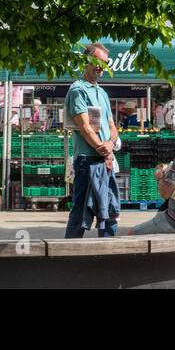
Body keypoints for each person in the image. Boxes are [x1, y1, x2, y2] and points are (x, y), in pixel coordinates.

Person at [63, 43, 120, 238]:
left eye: (105, 63)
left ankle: (108, 255)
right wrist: (102, 148)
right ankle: (67, 256)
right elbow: (84, 127)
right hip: (88, 159)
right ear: (87, 60)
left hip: (105, 159)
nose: (101, 67)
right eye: (97, 62)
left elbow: (113, 127)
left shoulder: (102, 93)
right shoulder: (77, 90)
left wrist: (110, 145)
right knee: (81, 212)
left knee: (110, 211)